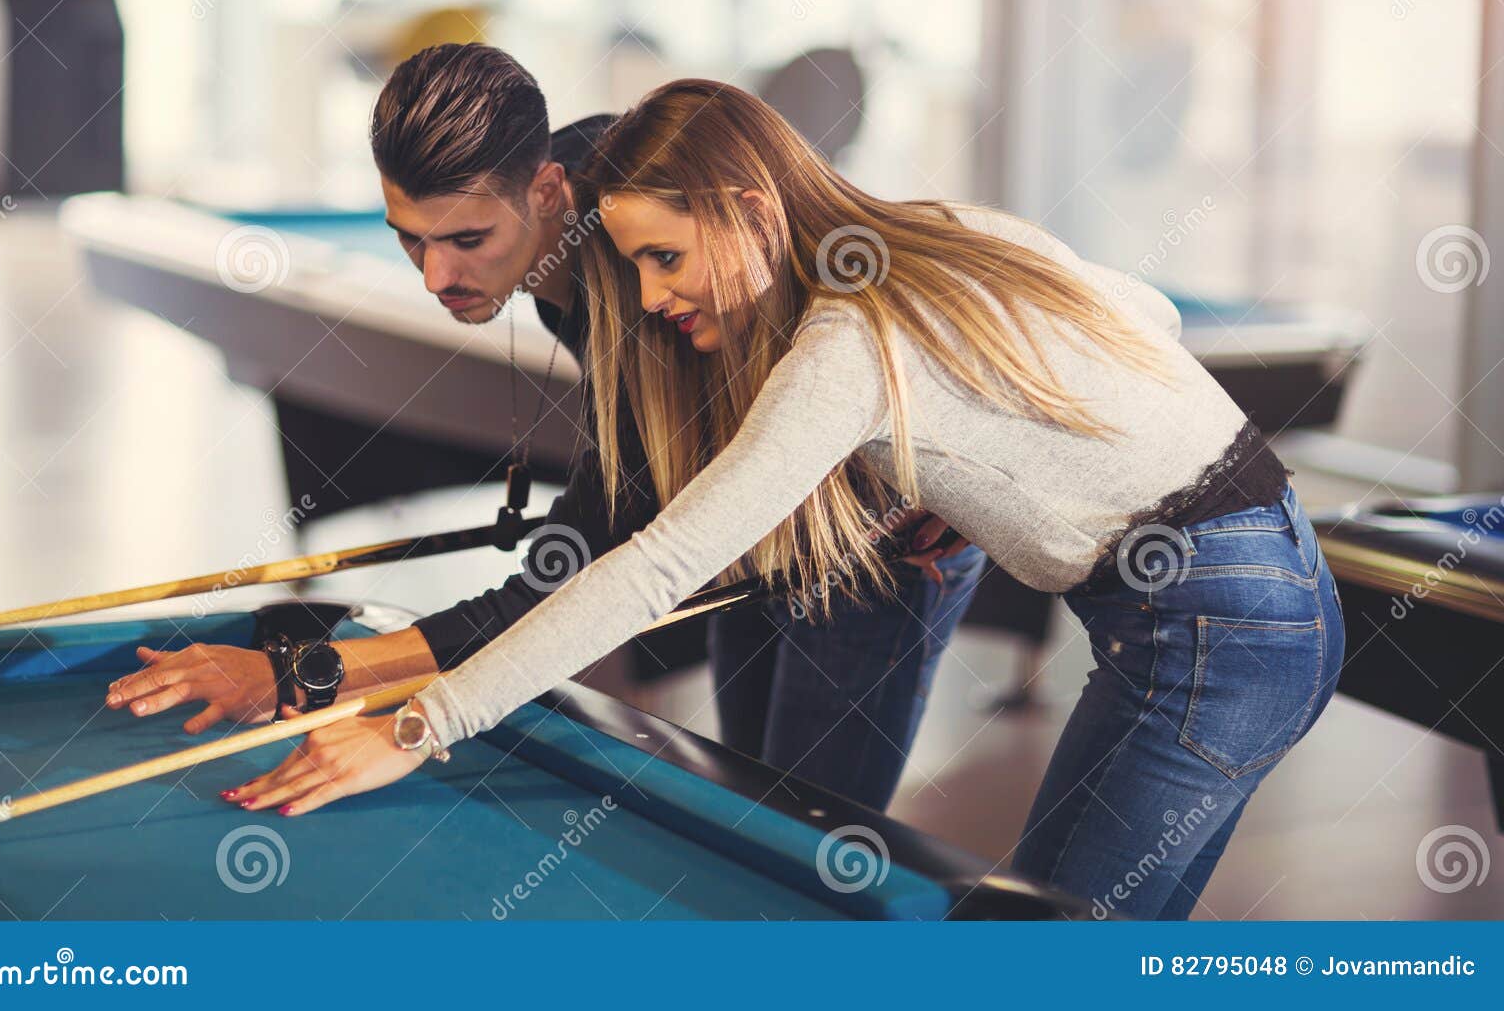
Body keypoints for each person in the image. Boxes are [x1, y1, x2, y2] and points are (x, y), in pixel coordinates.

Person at [221, 77, 1347, 920]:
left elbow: (655, 564)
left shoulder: (839, 348)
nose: (651, 297)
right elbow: (1145, 312)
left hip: (1214, 623)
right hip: (1221, 598)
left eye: (666, 258)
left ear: (751, 208)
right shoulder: (945, 231)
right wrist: (967, 454)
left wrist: (425, 723)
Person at [106, 45, 985, 811]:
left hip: (879, 523)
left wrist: (303, 673)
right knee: (753, 790)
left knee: (806, 825)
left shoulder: (638, 274)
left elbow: (576, 571)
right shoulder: (571, 179)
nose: (436, 276)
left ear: (547, 188)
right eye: (410, 240)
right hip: (756, 508)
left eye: (469, 238)